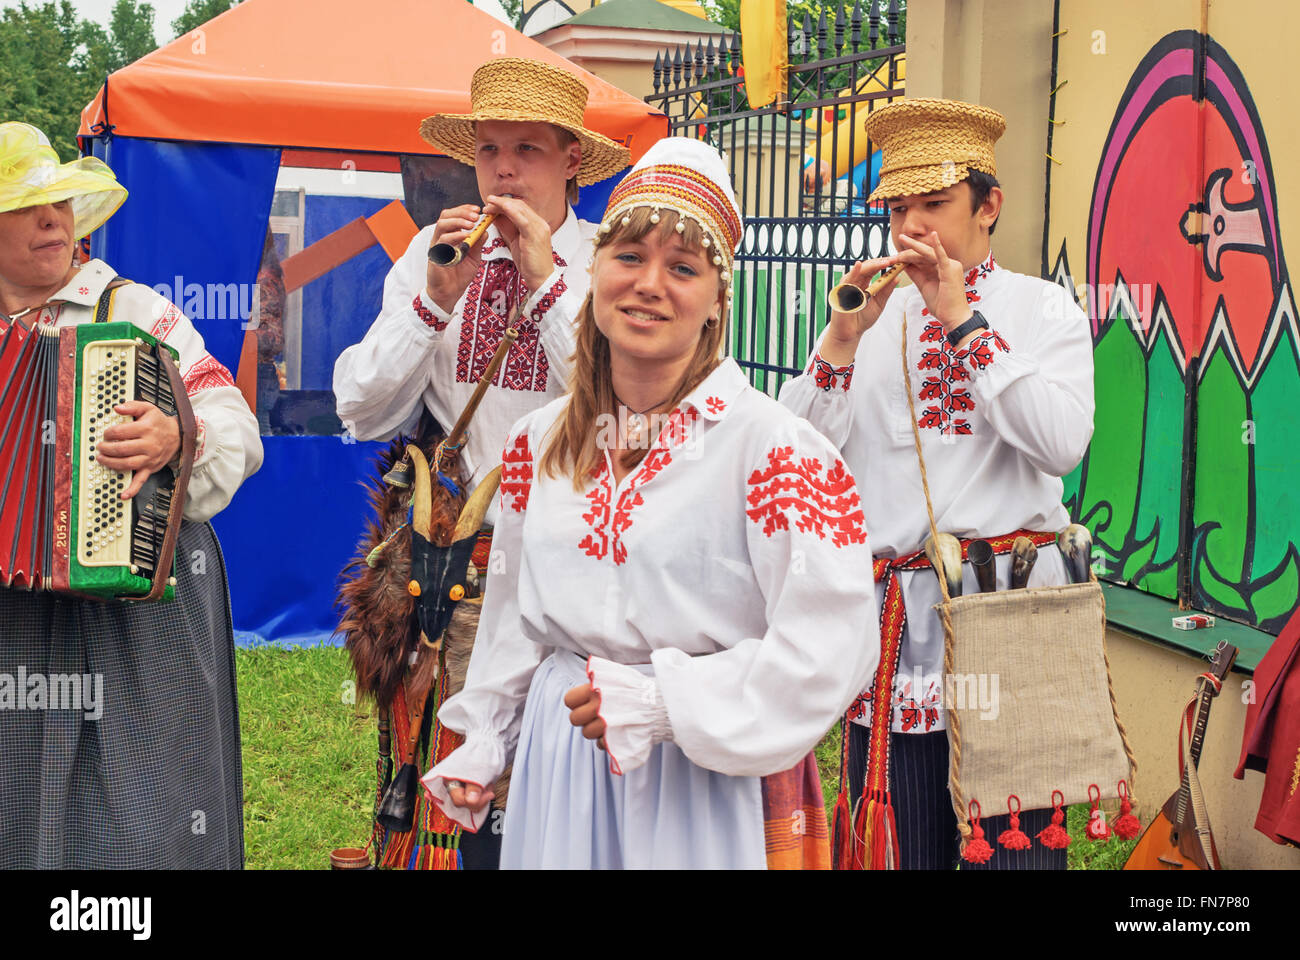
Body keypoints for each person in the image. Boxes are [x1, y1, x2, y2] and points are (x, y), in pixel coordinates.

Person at [419, 137, 880, 869]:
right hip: (560, 763)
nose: (649, 284)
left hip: (701, 777)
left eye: (683, 267)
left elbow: (835, 647)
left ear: (716, 301)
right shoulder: (538, 442)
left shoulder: (774, 448)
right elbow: (513, 615)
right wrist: (487, 738)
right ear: (592, 270)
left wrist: (671, 704)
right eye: (629, 257)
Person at [780, 98, 1095, 870]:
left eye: (936, 204)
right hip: (895, 631)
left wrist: (962, 320)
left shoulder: (1041, 307)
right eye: (899, 207)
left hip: (1008, 620)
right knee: (903, 849)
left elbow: (1062, 444)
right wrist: (841, 337)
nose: (912, 228)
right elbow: (796, 455)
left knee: (1013, 859)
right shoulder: (868, 318)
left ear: (989, 205)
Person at [0, 122, 262, 868]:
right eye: (27, 206)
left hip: (138, 610)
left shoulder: (131, 310)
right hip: (14, 612)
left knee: (145, 820)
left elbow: (234, 421)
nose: (54, 221)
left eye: (60, 205)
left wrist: (179, 437)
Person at [333, 57, 631, 510]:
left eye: (526, 149)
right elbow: (360, 413)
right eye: (488, 149)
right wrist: (433, 305)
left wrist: (546, 284)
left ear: (571, 160)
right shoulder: (430, 252)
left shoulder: (608, 258)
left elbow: (623, 410)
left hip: (574, 546)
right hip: (450, 558)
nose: (503, 169)